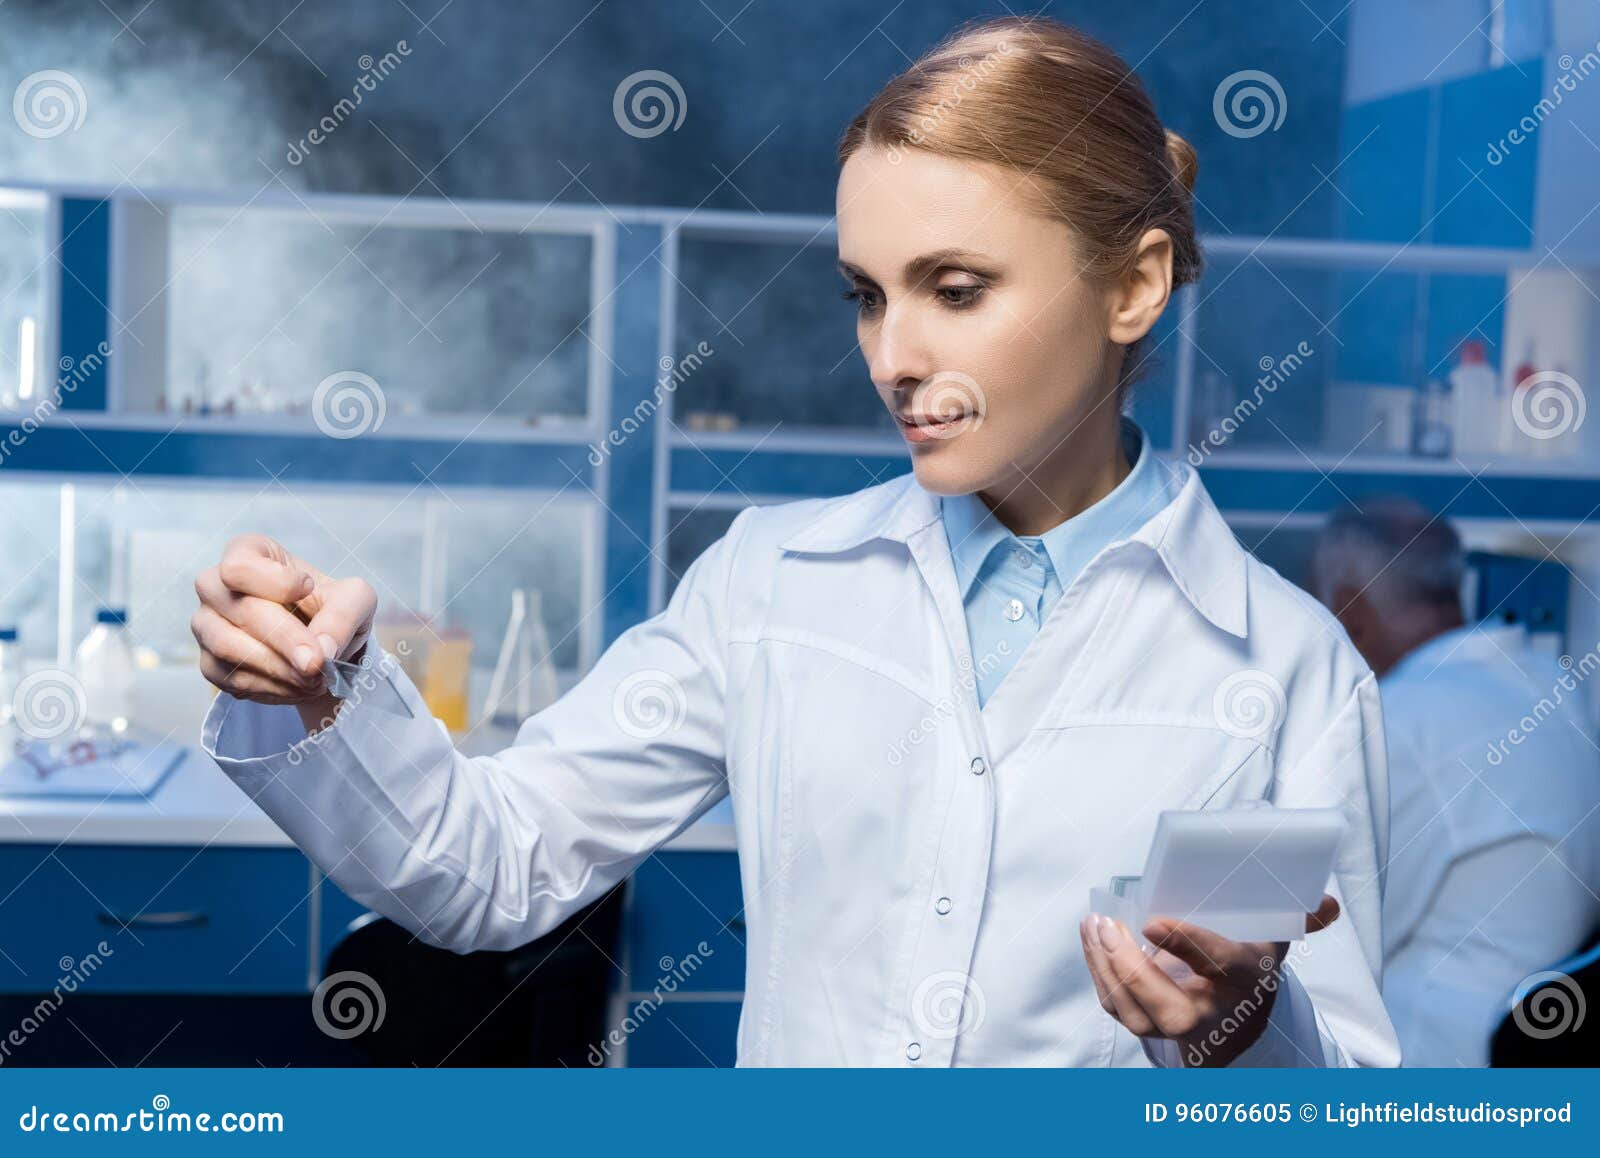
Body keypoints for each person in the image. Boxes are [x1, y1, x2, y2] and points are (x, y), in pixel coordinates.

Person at [192, 16, 1397, 1067]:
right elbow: (494, 865)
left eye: (956, 287)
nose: (891, 356)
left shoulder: (1285, 675)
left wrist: (1242, 1029)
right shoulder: (769, 586)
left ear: (1133, 285)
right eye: (868, 294)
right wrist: (319, 698)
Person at [1310, 499, 1600, 1066]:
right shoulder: (1549, 687)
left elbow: (1335, 939)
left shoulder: (1405, 720)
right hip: (1541, 1056)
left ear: (1349, 611)